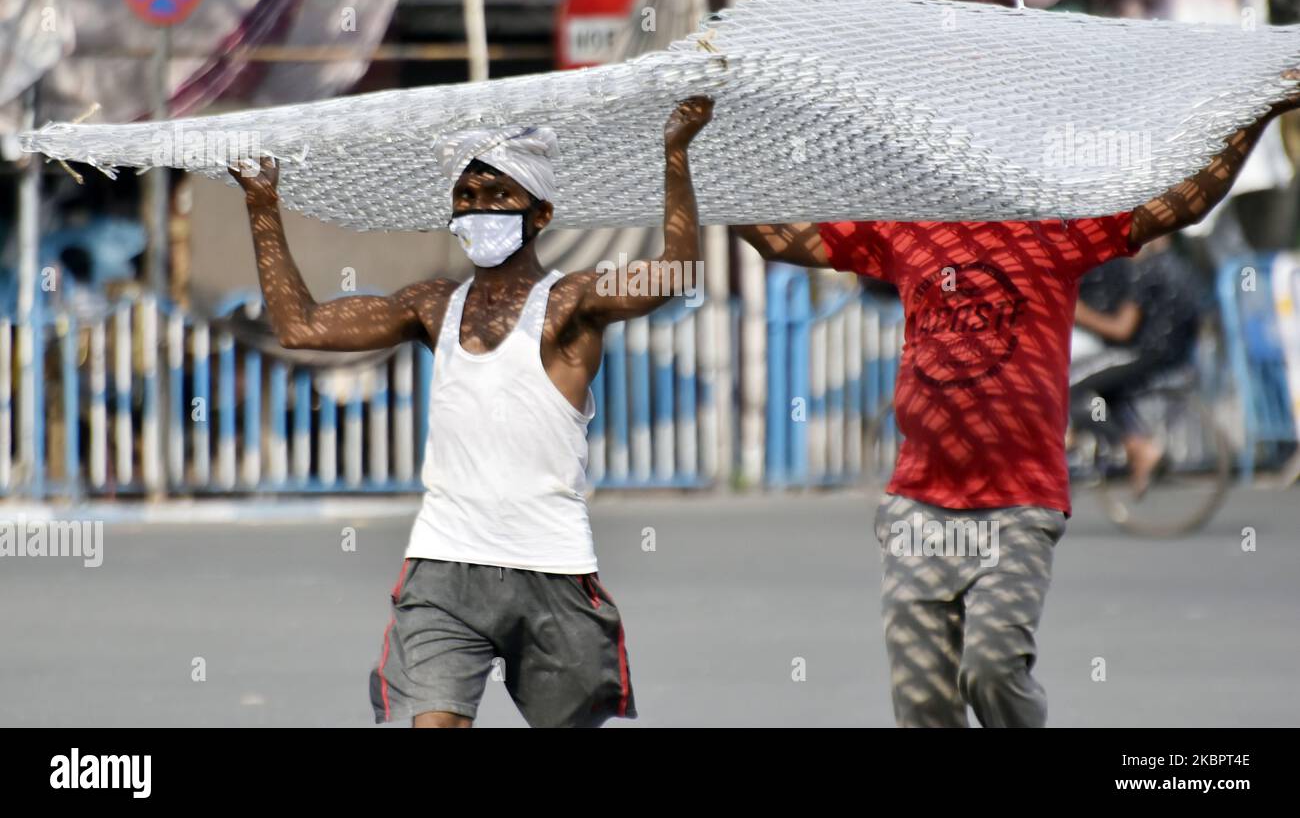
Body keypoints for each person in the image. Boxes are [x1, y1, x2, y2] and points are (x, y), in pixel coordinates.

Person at [734, 76, 1300, 728]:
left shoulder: (1055, 230)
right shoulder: (906, 231)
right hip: (918, 503)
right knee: (922, 705)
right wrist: (708, 154)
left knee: (993, 668)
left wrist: (1256, 116)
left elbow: (1179, 206)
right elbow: (777, 238)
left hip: (1018, 500)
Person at [228, 95, 713, 728]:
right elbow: (300, 327)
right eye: (467, 195)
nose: (479, 208)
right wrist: (262, 204)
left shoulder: (570, 302)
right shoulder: (434, 306)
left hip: (552, 569)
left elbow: (676, 275)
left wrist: (675, 156)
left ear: (540, 214)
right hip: (444, 564)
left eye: (496, 194)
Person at [1070, 237, 1205, 489]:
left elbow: (1122, 329)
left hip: (1143, 353)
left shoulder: (1147, 270)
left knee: (1072, 392)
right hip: (1173, 354)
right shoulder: (1183, 267)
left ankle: (1137, 447)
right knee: (1107, 391)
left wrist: (1080, 313)